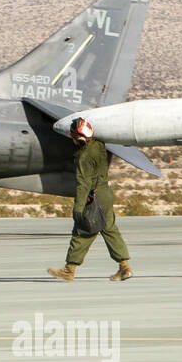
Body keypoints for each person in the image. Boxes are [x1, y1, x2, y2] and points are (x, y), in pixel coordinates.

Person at [48, 117, 132, 282]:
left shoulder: (84, 156)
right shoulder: (99, 146)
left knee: (83, 230)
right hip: (106, 193)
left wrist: (78, 207)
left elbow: (83, 184)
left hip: (93, 197)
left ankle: (69, 270)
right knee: (109, 230)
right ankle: (124, 267)